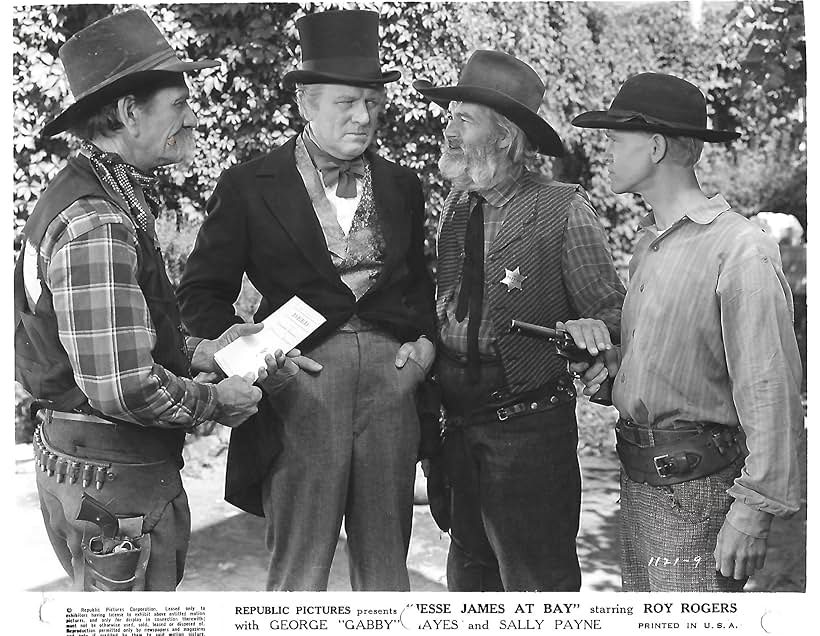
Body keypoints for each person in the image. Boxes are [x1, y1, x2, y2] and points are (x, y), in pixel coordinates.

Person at [12, 9, 284, 591]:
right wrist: (215, 402)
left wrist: (204, 352)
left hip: (91, 467)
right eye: (179, 104)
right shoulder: (98, 221)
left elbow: (119, 335)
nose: (192, 117)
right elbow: (122, 383)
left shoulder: (99, 194)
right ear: (131, 113)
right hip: (113, 477)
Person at [176, 9, 436, 592]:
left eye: (373, 102)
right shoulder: (249, 185)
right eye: (347, 102)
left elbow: (420, 286)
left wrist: (422, 351)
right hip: (299, 390)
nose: (364, 116)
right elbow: (200, 294)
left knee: (387, 576)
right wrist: (254, 359)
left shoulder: (403, 186)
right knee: (298, 574)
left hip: (392, 392)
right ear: (306, 103)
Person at [571, 72, 803, 591]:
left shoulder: (740, 249)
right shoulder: (649, 246)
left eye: (615, 139)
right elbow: (671, 372)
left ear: (654, 147)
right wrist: (609, 370)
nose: (605, 150)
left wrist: (753, 511)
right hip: (639, 489)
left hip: (699, 501)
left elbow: (771, 391)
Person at [413, 50, 625, 592]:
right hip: (459, 429)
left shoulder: (561, 208)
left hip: (528, 436)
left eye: (463, 119)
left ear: (504, 136)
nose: (448, 128)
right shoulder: (457, 205)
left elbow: (609, 311)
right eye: (451, 116)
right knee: (469, 584)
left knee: (536, 590)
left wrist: (594, 334)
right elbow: (448, 307)